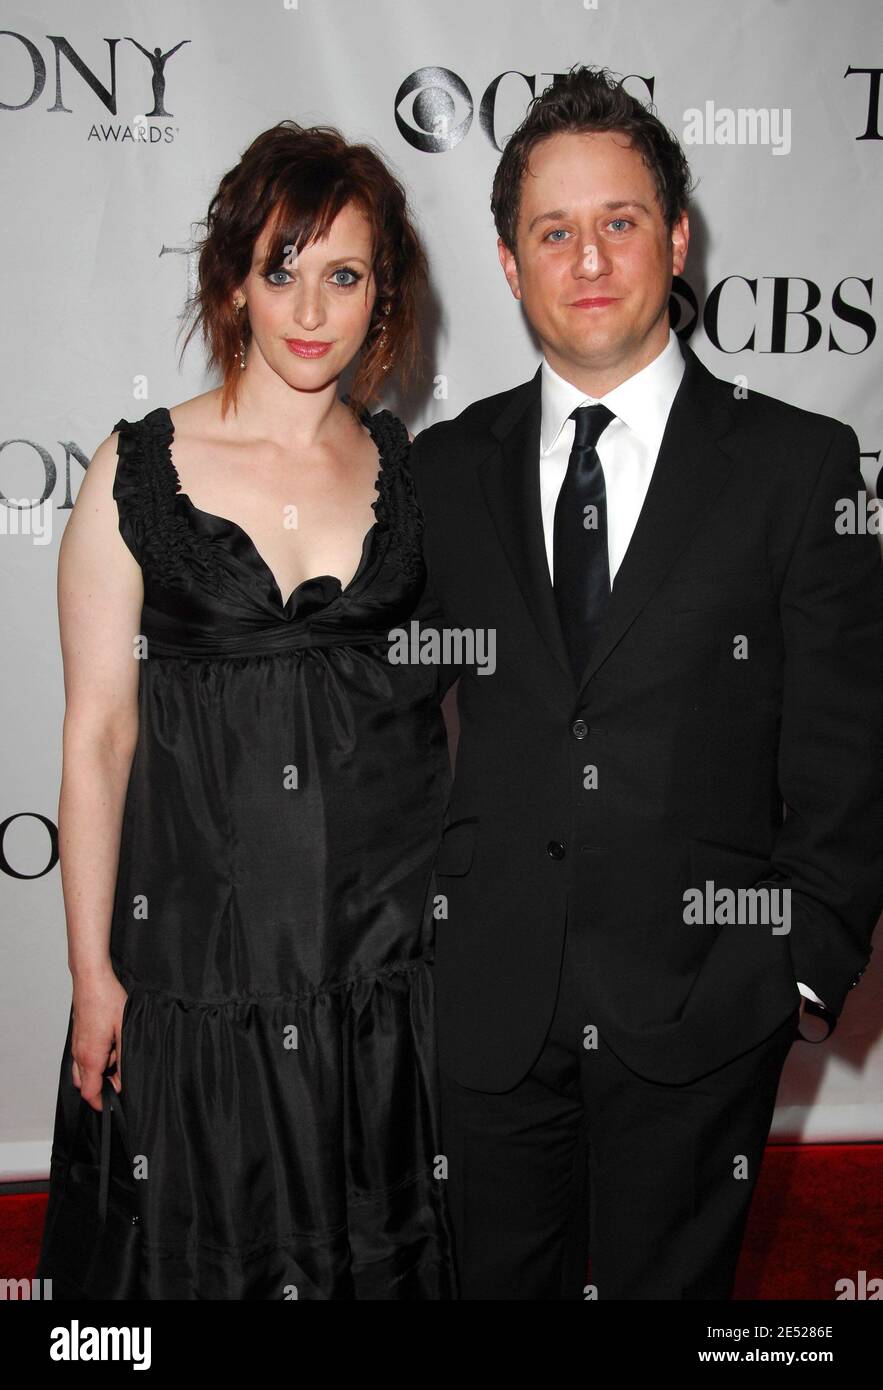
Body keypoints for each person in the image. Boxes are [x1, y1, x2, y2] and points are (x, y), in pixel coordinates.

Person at [409, 66, 883, 1299]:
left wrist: (797, 965)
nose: (588, 258)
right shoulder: (443, 469)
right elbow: (371, 713)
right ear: (509, 266)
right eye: (551, 232)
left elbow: (849, 736)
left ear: (675, 238)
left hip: (703, 1002)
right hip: (486, 1003)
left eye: (619, 221)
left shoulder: (797, 462)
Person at [38, 120, 456, 1299]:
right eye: (282, 268)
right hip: (193, 960)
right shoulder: (135, 467)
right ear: (233, 276)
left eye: (344, 273)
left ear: (382, 296)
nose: (310, 307)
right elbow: (97, 735)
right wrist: (91, 975)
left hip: (379, 961)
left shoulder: (406, 469)